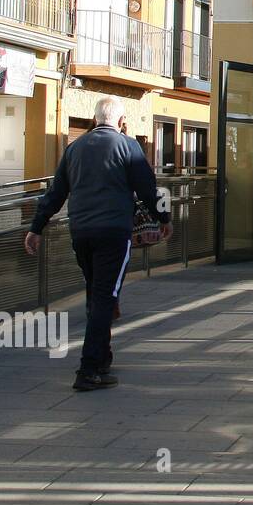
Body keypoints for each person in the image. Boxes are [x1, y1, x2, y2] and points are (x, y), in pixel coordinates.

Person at [24, 97, 171, 391]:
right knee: (106, 296)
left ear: (95, 120)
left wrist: (36, 227)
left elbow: (56, 193)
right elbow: (147, 186)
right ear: (120, 120)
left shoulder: (74, 148)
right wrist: (163, 217)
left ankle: (102, 358)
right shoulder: (128, 146)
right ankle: (89, 369)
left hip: (81, 231)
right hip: (113, 231)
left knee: (96, 292)